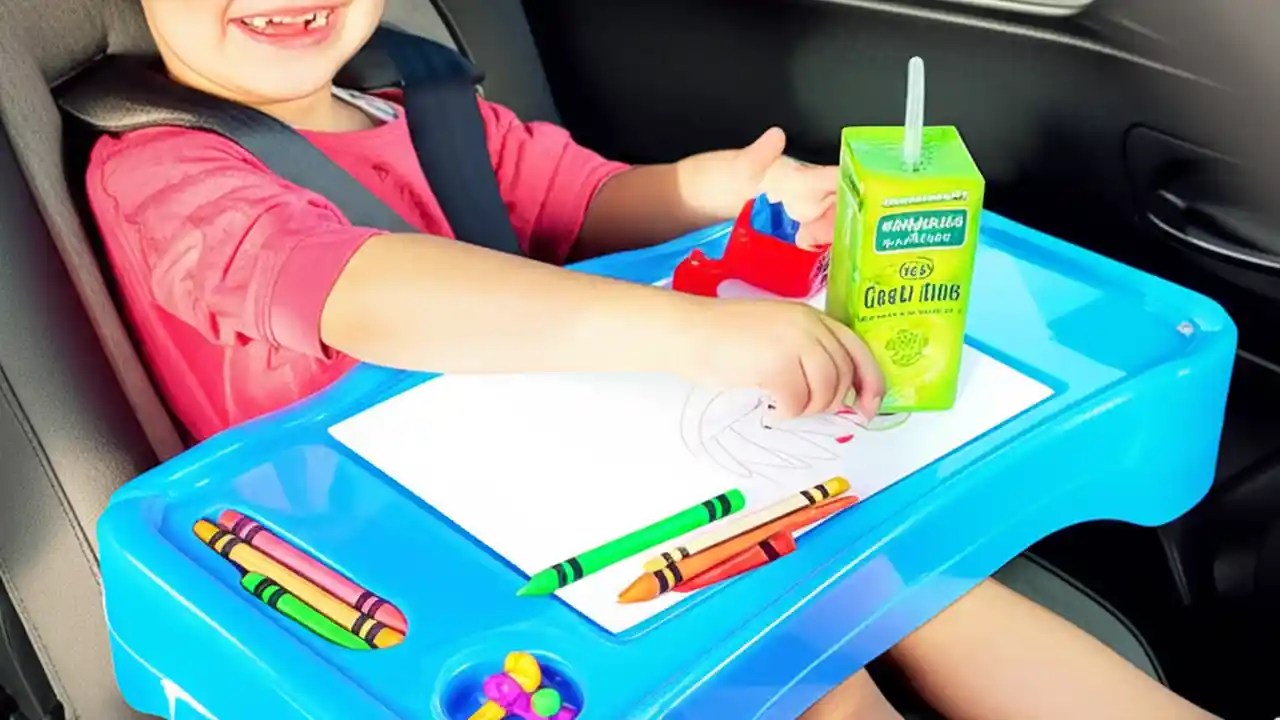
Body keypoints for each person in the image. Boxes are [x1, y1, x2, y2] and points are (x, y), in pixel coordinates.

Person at [87, 1, 1219, 717]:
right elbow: (359, 289)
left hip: (594, 474)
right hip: (397, 558)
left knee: (915, 586)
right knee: (787, 679)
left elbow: (581, 200)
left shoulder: (429, 108)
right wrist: (691, 331)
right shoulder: (162, 175)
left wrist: (718, 191)